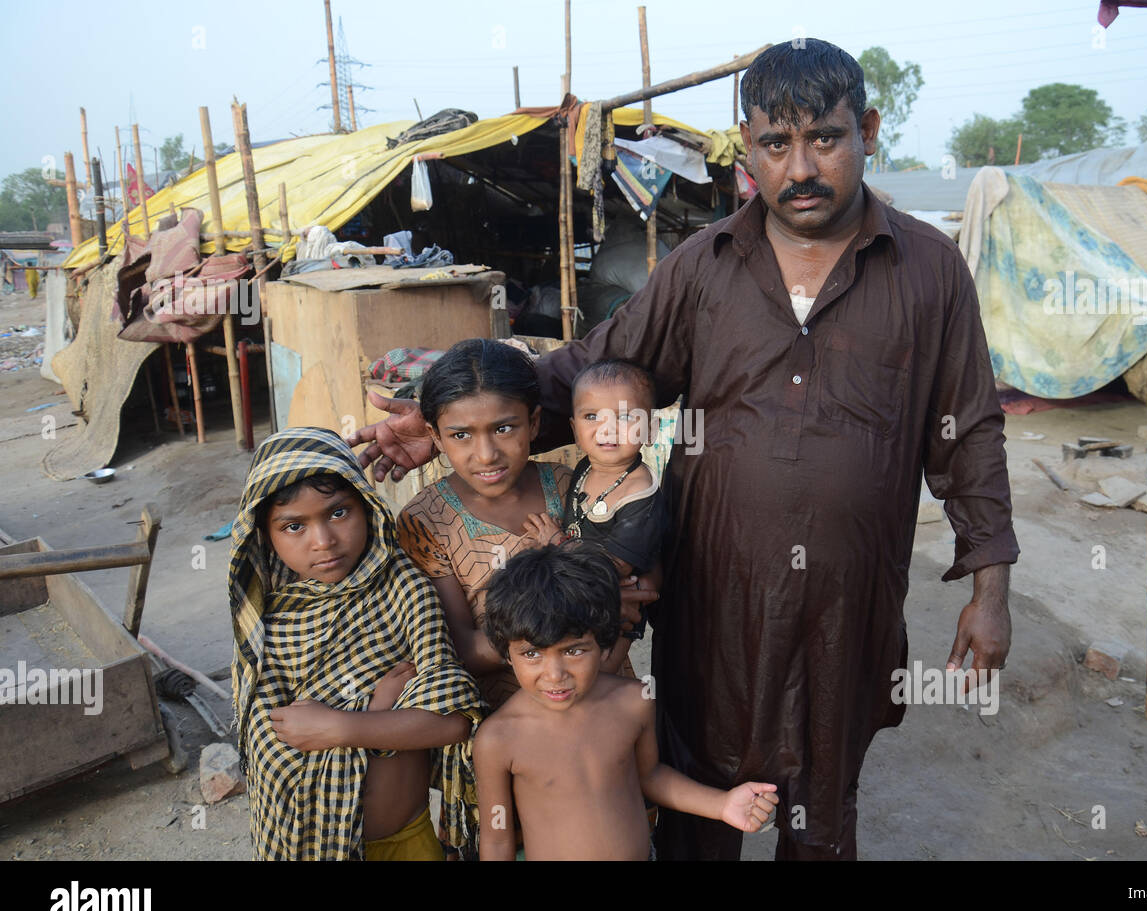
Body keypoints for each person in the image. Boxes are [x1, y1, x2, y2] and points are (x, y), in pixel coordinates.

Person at [349, 38, 1018, 860]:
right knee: (700, 793)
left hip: (849, 600)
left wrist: (991, 589)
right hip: (715, 598)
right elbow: (595, 369)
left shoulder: (930, 271)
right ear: (748, 149)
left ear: (869, 130)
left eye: (825, 139)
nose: (800, 167)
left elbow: (970, 430)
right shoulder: (705, 268)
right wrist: (462, 414)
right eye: (777, 144)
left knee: (824, 801)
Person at [228, 427, 482, 860]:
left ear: (366, 506)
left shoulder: (404, 589)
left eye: (338, 513)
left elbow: (453, 720)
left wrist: (344, 727)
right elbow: (275, 748)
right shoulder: (268, 624)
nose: (323, 541)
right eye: (294, 526)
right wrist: (381, 712)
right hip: (315, 846)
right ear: (264, 535)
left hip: (410, 839)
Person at [473, 544, 778, 860]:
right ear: (507, 653)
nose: (554, 675)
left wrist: (722, 804)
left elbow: (651, 776)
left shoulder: (634, 701)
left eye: (573, 650)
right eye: (532, 654)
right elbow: (497, 840)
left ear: (604, 645)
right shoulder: (498, 739)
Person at [394, 339, 642, 712]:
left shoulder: (573, 486)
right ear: (435, 437)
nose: (486, 454)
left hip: (607, 702)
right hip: (513, 721)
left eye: (504, 428)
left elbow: (630, 593)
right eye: (461, 435)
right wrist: (584, 613)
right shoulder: (426, 521)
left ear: (534, 422)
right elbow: (459, 647)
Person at [548, 358, 670, 638]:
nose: (607, 428)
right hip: (581, 597)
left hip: (620, 612)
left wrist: (556, 541)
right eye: (592, 416)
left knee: (604, 675)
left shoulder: (640, 495)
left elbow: (614, 566)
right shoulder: (586, 467)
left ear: (651, 429)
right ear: (575, 429)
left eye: (625, 416)